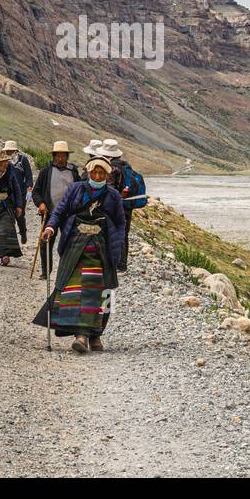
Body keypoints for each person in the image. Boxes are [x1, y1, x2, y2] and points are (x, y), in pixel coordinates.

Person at [34, 156, 125, 353]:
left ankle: (97, 335)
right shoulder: (76, 189)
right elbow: (59, 212)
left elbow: (120, 224)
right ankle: (81, 336)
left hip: (101, 250)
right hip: (76, 247)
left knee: (103, 292)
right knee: (75, 290)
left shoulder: (113, 196)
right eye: (94, 172)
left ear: (107, 174)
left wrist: (117, 249)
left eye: (102, 173)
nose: (98, 176)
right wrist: (50, 228)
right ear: (88, 172)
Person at [32, 141, 80, 279]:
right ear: (53, 156)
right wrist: (40, 204)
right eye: (57, 156)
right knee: (45, 242)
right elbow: (36, 192)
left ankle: (67, 271)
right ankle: (46, 272)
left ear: (67, 156)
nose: (60, 159)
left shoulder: (73, 172)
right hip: (49, 212)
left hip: (69, 214)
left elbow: (79, 192)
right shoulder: (45, 172)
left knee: (68, 243)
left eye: (63, 156)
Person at [101, 139, 145, 272]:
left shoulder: (112, 168)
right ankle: (123, 264)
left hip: (116, 206)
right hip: (128, 206)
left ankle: (114, 263)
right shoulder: (126, 166)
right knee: (124, 233)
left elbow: (110, 189)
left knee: (113, 233)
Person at [3, 140, 35, 244]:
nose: (8, 152)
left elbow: (29, 175)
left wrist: (29, 186)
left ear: (14, 150)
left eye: (10, 150)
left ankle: (23, 231)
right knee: (9, 214)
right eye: (7, 150)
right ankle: (11, 238)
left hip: (21, 192)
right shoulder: (4, 160)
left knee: (19, 215)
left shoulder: (22, 160)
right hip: (8, 193)